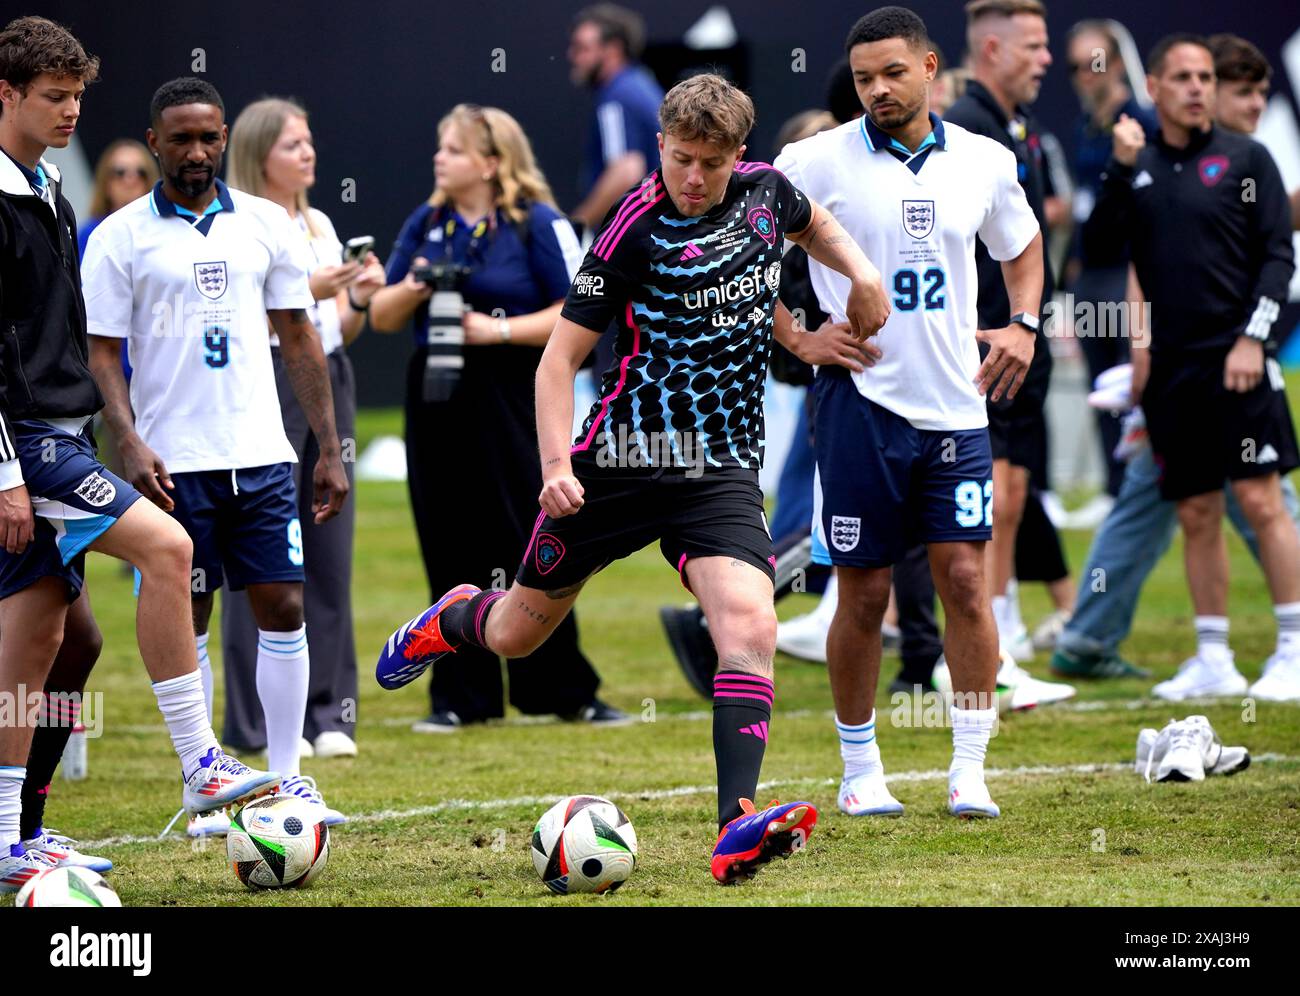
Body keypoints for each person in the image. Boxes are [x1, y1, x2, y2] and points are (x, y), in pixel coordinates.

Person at [377, 73, 893, 884]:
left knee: (750, 625)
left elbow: (809, 222)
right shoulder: (631, 231)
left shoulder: (766, 196)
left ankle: (734, 829)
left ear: (739, 157)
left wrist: (859, 276)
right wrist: (553, 468)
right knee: (518, 633)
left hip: (717, 466)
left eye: (710, 165)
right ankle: (453, 618)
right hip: (617, 463)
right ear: (660, 145)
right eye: (681, 158)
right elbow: (558, 362)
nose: (693, 179)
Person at [0, 19, 277, 890]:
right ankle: (201, 764)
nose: (71, 110)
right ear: (5, 94)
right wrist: (6, 472)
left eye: (78, 94)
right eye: (53, 96)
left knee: (60, 641)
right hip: (24, 441)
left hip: (57, 434)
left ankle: (16, 830)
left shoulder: (50, 191)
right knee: (171, 547)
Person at [775, 6, 1043, 820]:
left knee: (968, 581)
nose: (878, 90)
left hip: (958, 408)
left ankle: (970, 768)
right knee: (862, 592)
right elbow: (735, 250)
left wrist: (1024, 326)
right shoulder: (810, 161)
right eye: (863, 79)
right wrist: (798, 337)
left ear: (931, 68)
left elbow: (1023, 246)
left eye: (893, 73)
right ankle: (861, 770)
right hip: (859, 405)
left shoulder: (985, 160)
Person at [81, 77, 349, 836]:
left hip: (262, 452)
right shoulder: (119, 235)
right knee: (187, 614)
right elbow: (102, 353)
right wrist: (126, 437)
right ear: (155, 140)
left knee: (284, 605)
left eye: (208, 137)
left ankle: (291, 781)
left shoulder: (266, 224)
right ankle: (206, 780)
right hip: (172, 460)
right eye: (180, 138)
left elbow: (299, 336)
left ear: (225, 137)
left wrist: (326, 448)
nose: (195, 152)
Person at [369, 104, 621, 731]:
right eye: (440, 148)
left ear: (491, 161)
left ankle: (563, 690)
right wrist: (419, 285)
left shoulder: (538, 222)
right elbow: (381, 314)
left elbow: (580, 307)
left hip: (515, 391)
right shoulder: (427, 223)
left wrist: (499, 330)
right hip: (437, 392)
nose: (439, 159)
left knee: (532, 531)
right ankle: (461, 698)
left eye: (452, 150)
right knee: (447, 534)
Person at [1072, 35, 1299, 702]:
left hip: (1239, 362)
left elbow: (1278, 259)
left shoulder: (1246, 158)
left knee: (1262, 501)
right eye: (1184, 77)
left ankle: (1290, 649)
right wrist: (1118, 169)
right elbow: (1100, 248)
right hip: (1172, 374)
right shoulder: (1135, 167)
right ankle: (1213, 658)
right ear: (1157, 87)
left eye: (1206, 76)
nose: (1199, 87)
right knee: (1197, 513)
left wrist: (1253, 341)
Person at [220, 97, 384, 761]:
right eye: (292, 144)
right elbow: (254, 312)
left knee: (328, 549)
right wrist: (320, 286)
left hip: (327, 382)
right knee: (258, 544)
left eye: (310, 140)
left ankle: (330, 710)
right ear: (260, 156)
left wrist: (359, 296)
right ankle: (254, 719)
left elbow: (334, 328)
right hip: (263, 377)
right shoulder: (239, 225)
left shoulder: (316, 219)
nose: (308, 153)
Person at [941, 0, 1074, 685]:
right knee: (987, 497)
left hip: (1020, 343)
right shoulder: (964, 130)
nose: (1047, 58)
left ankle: (1000, 636)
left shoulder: (1015, 127)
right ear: (990, 50)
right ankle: (976, 652)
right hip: (981, 349)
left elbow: (1031, 238)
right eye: (1034, 46)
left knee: (1013, 495)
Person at [567, 4, 663, 232]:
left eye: (582, 48)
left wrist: (577, 225)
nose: (572, 56)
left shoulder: (617, 96)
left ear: (612, 50)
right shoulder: (639, 84)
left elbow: (626, 171)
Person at [79, 139, 157, 257]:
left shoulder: (164, 229)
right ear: (106, 182)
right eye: (120, 172)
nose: (130, 180)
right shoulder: (91, 234)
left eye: (141, 173)